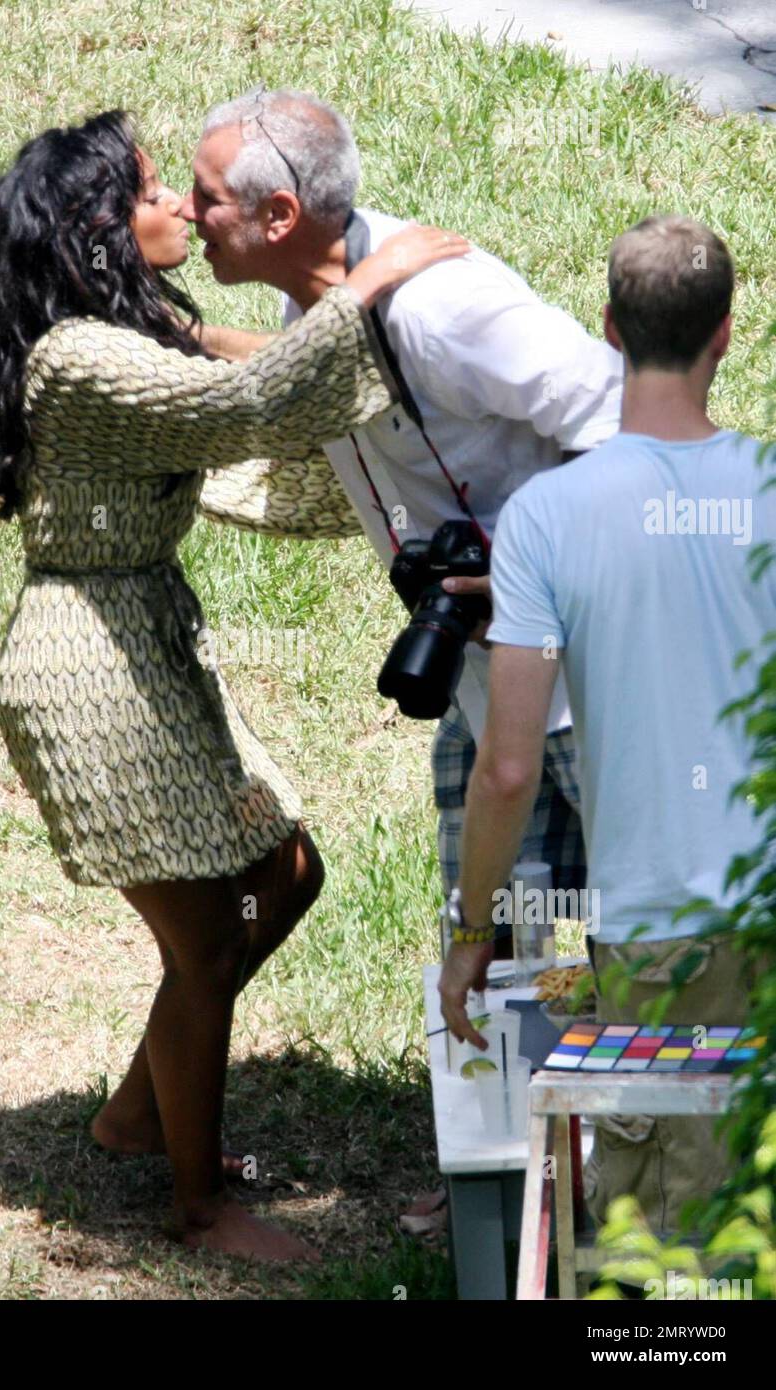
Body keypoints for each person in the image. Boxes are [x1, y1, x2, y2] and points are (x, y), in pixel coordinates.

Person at [0, 110, 470, 1263]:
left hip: (145, 646)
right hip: (88, 675)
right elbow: (240, 409)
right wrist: (364, 285)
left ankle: (134, 1114)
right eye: (154, 195)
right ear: (100, 228)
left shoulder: (123, 328)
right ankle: (200, 1207)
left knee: (280, 875)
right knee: (203, 949)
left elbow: (225, 358)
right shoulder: (79, 361)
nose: (181, 209)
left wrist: (348, 332)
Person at [180, 86, 624, 955]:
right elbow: (299, 367)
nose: (188, 215)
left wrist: (534, 572)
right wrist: (188, 337)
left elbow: (617, 416)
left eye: (206, 197)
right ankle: (517, 1088)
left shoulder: (442, 309)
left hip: (590, 676)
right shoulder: (312, 298)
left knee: (635, 929)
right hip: (476, 672)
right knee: (497, 940)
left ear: (278, 215)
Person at [439, 214, 776, 1233]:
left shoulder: (546, 517)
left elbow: (504, 769)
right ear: (724, 332)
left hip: (663, 932)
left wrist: (470, 933)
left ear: (608, 330)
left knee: (674, 1250)